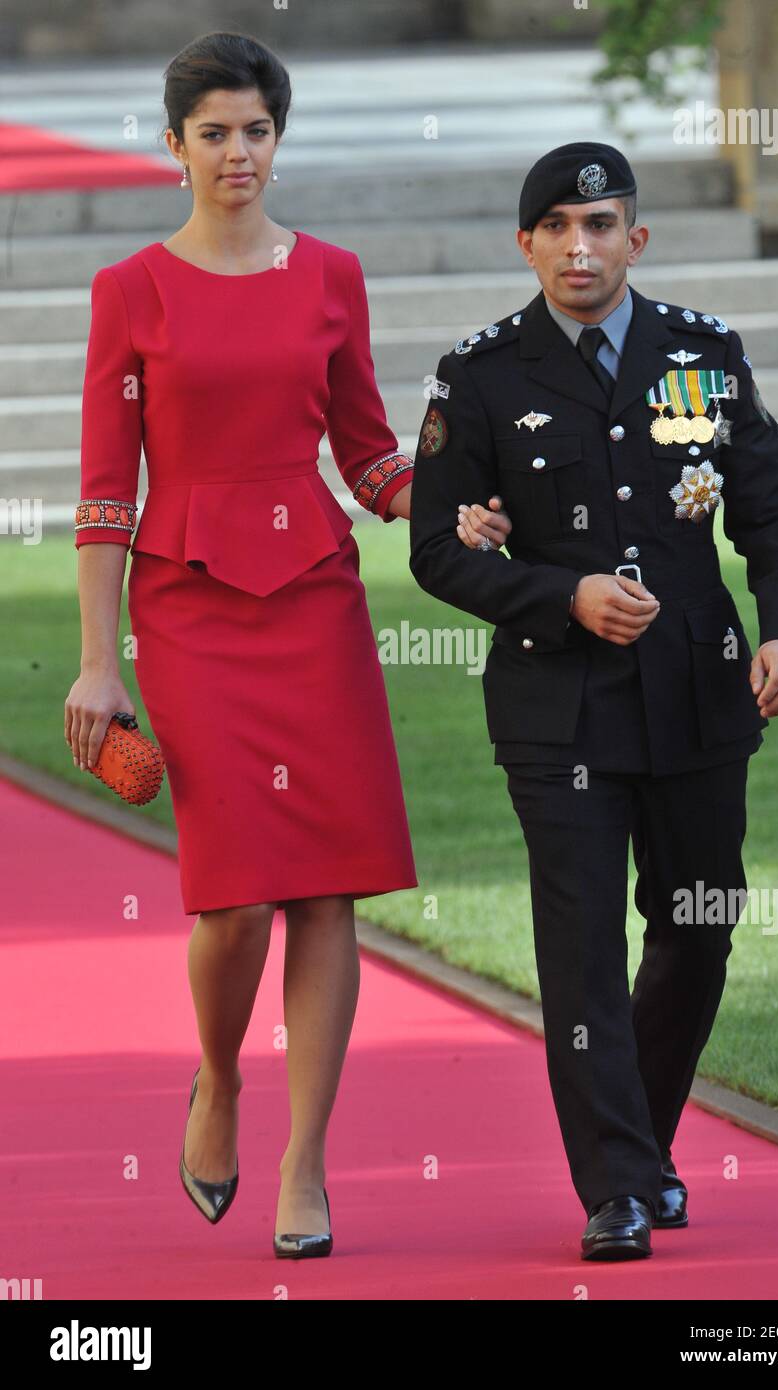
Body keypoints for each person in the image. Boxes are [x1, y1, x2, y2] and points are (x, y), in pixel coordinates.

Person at [63, 32, 510, 1260]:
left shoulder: (330, 275)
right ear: (174, 145)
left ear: (278, 138)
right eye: (213, 132)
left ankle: (304, 1170)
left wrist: (446, 497)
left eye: (255, 130)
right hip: (191, 608)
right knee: (236, 898)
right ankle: (219, 1079)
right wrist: (99, 660)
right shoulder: (129, 294)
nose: (237, 153)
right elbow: (107, 495)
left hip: (313, 597)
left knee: (328, 890)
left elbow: (366, 451)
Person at [409, 141, 778, 1261]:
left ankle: (641, 1142)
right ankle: (618, 1188)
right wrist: (560, 593)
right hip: (559, 708)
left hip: (695, 695)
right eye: (557, 227)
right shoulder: (480, 374)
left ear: (636, 239)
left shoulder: (701, 353)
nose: (578, 247)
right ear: (526, 243)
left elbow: (773, 516)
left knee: (697, 928)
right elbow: (437, 557)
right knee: (583, 944)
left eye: (601, 226)